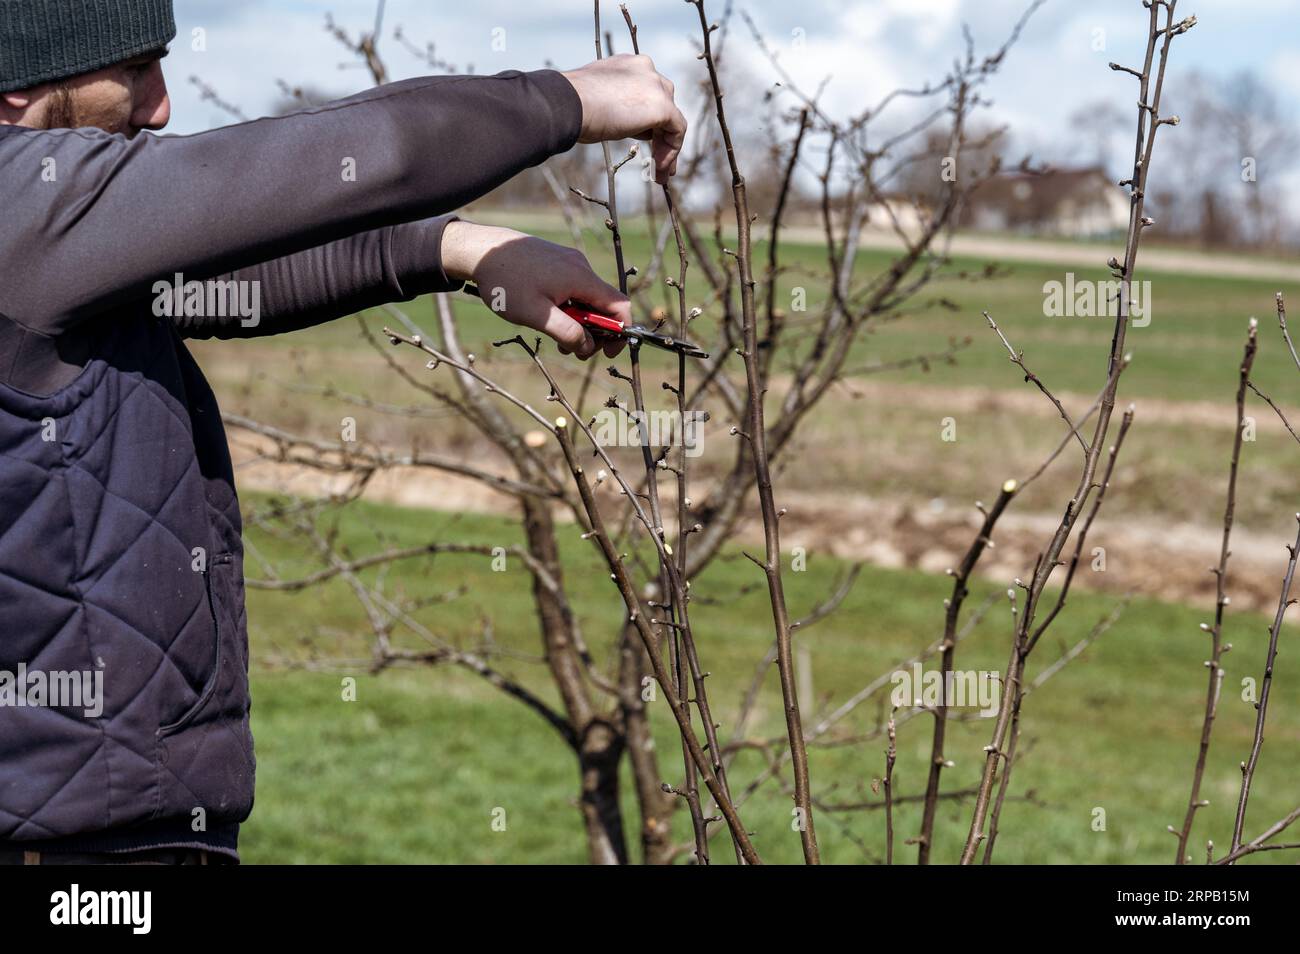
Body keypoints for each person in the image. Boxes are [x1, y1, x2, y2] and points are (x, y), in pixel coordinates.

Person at [0, 0, 687, 864]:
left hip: (102, 825)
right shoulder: (16, 211)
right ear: (17, 91)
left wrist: (461, 251)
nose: (161, 105)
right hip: (64, 848)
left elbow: (218, 275)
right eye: (133, 72)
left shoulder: (47, 238)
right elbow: (364, 159)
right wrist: (568, 101)